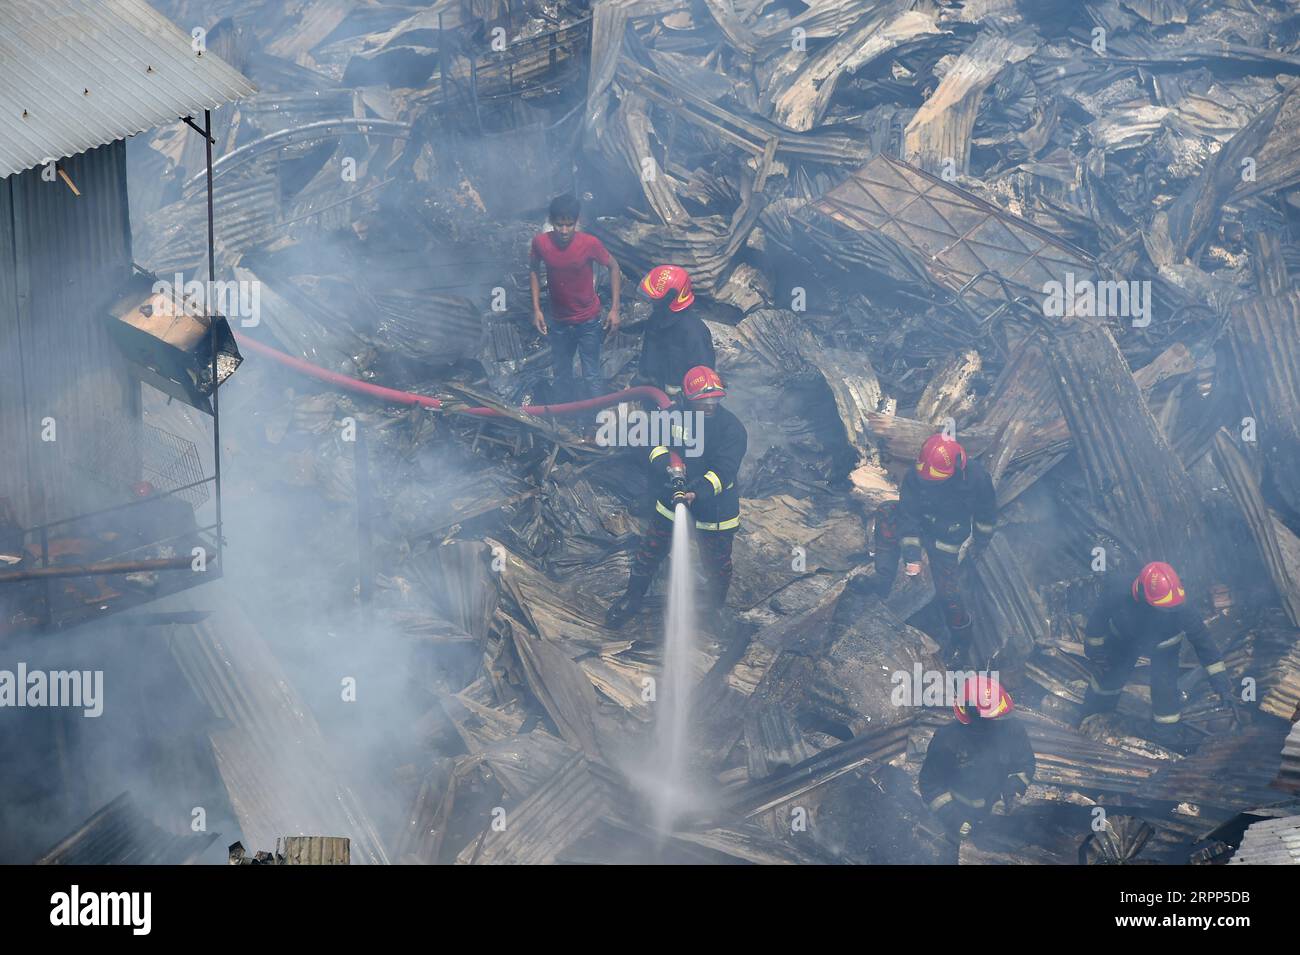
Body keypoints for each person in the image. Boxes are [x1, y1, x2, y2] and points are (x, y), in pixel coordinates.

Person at [604, 366, 746, 634]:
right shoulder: (671, 417)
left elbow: (725, 471)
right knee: (649, 552)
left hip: (714, 509)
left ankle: (715, 608)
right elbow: (650, 443)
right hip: (672, 499)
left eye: (714, 400)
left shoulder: (732, 429)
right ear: (686, 399)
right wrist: (666, 467)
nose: (710, 406)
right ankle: (632, 598)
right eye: (703, 402)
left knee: (718, 566)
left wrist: (698, 491)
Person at [834, 433, 995, 664]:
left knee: (948, 592)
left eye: (935, 478)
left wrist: (981, 542)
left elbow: (986, 515)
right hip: (920, 525)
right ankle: (882, 580)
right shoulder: (916, 476)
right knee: (888, 511)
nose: (929, 482)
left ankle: (961, 643)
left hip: (947, 536)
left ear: (956, 467)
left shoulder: (977, 478)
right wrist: (912, 557)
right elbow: (909, 516)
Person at [1081, 561, 1245, 733]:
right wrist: (1095, 652)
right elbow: (1098, 619)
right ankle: (1091, 718)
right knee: (1107, 682)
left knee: (1166, 695)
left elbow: (1205, 645)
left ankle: (1165, 734)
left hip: (1165, 649)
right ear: (1143, 595)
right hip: (1123, 641)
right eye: (1165, 609)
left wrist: (1223, 686)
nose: (1172, 611)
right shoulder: (1118, 589)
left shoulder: (1182, 609)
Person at [918, 676, 1035, 854]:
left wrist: (1011, 790)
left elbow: (1025, 764)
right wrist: (954, 818)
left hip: (999, 816)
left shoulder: (1012, 729)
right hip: (959, 815)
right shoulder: (947, 741)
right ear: (974, 717)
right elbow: (930, 784)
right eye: (992, 720)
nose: (998, 724)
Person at [529, 193, 620, 402]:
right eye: (559, 225)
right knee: (561, 375)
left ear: (576, 222)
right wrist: (536, 309)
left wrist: (615, 309)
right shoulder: (540, 243)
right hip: (559, 322)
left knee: (591, 375)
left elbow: (614, 266)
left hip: (588, 322)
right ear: (552, 222)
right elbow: (533, 270)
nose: (564, 231)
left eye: (569, 225)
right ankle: (565, 420)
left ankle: (596, 421)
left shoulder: (589, 243)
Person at [632, 265, 715, 398]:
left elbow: (703, 378)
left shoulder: (694, 333)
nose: (651, 301)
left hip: (680, 405)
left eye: (655, 299)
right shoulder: (656, 320)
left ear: (670, 298)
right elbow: (647, 360)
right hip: (653, 395)